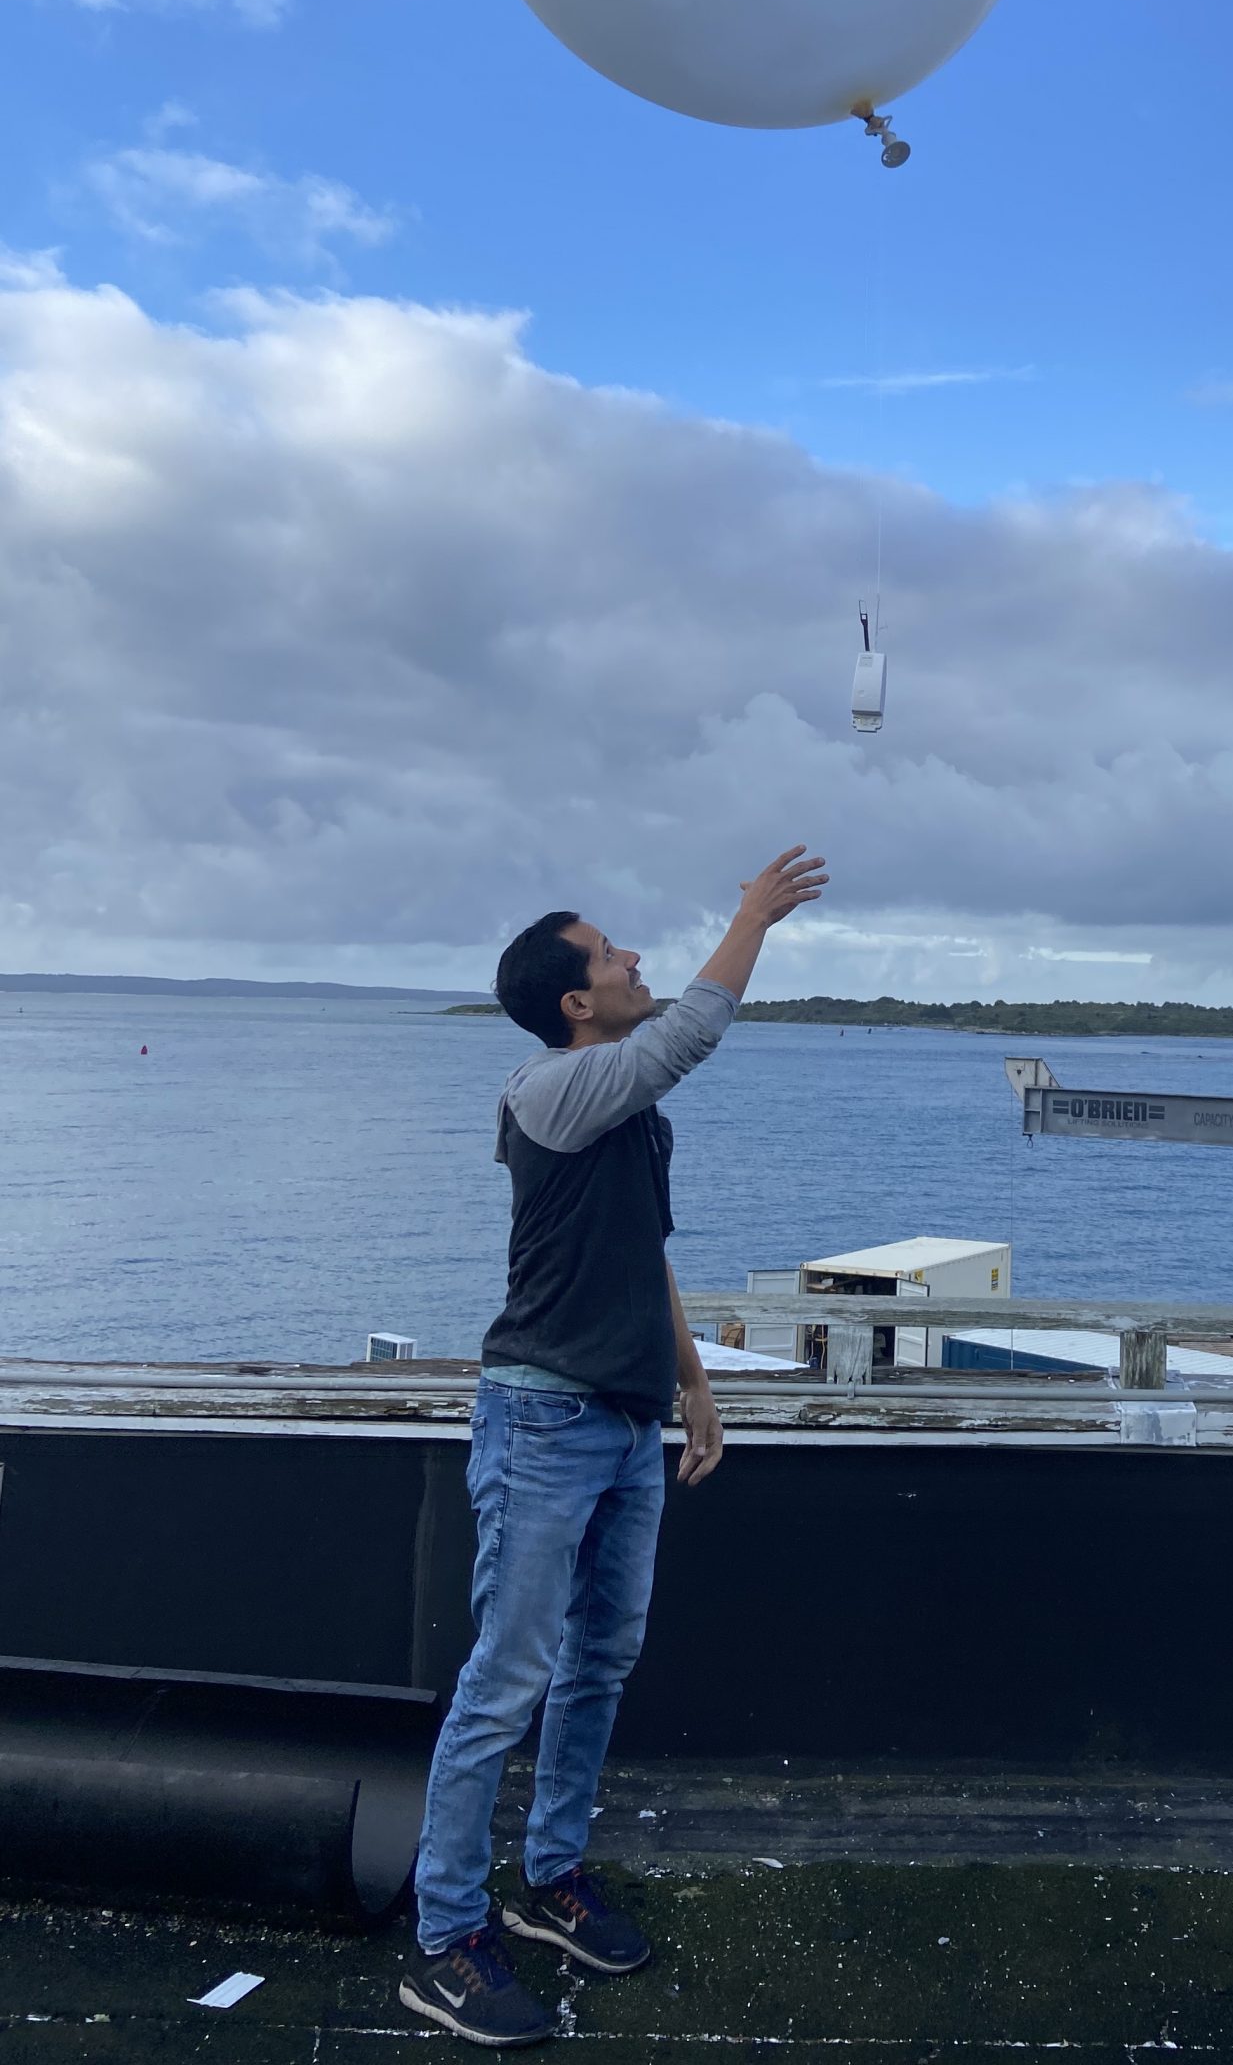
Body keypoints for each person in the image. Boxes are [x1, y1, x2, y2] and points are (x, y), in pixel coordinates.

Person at [402, 845, 828, 2047]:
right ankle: (443, 1941)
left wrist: (693, 1383)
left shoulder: (631, 1118)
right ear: (573, 1002)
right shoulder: (546, 1090)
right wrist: (752, 913)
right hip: (541, 1418)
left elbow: (644, 1253)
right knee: (506, 1680)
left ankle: (553, 1881)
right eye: (611, 952)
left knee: (601, 1661)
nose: (635, 955)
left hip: (628, 1421)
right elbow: (688, 1033)